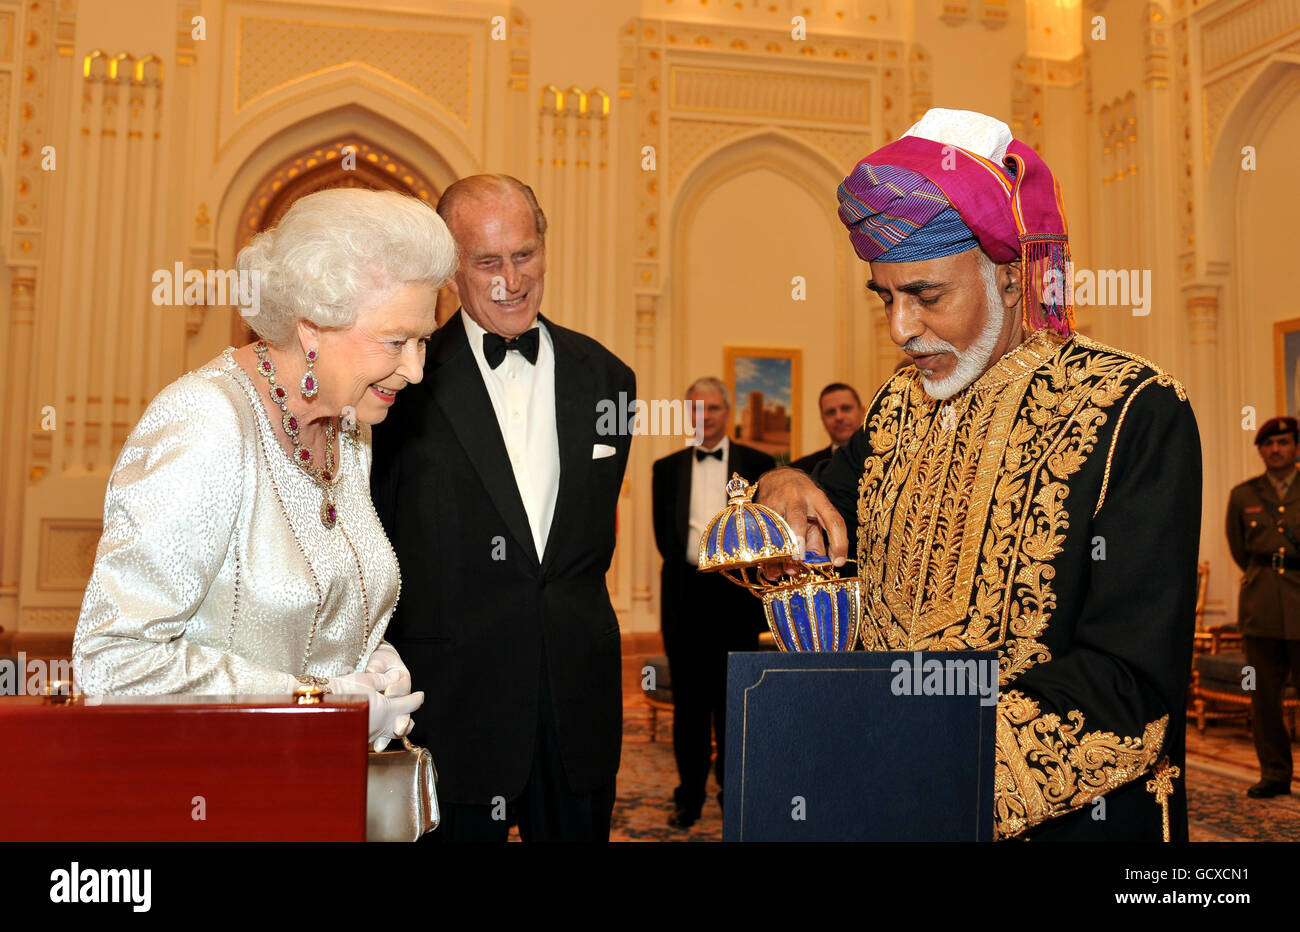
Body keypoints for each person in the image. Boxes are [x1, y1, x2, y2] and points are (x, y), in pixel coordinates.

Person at [753, 108, 1202, 841]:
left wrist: (916, 764)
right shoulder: (899, 404)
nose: (900, 327)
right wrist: (780, 485)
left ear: (1014, 277)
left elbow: (1130, 683)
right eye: (885, 298)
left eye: (926, 296)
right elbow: (821, 514)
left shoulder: (1136, 411)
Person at [73, 188, 451, 750]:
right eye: (395, 342)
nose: (416, 371)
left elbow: (317, 607)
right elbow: (113, 661)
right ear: (310, 326)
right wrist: (318, 702)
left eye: (423, 340)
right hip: (211, 793)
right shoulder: (205, 422)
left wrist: (371, 660)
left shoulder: (350, 425)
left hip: (313, 787)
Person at [371, 174, 635, 842]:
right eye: (487, 262)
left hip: (577, 703)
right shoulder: (401, 384)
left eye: (524, 255)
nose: (510, 280)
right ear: (449, 269)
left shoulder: (609, 378)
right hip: (452, 707)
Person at [652, 377, 774, 829]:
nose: (705, 418)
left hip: (735, 596)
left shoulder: (758, 465)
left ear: (729, 411)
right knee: (688, 704)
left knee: (732, 700)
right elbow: (665, 537)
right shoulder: (664, 469)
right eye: (696, 411)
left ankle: (732, 790)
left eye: (713, 409)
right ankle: (689, 794)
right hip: (684, 596)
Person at [1225, 415, 1300, 798]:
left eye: (1283, 442)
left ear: (1296, 447)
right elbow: (1240, 550)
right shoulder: (1244, 495)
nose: (1275, 449)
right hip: (1261, 610)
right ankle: (1274, 773)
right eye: (1268, 444)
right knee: (1264, 698)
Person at [790, 383, 865, 474]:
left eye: (846, 408)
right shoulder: (800, 471)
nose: (839, 417)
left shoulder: (882, 460)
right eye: (831, 412)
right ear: (823, 420)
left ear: (862, 411)